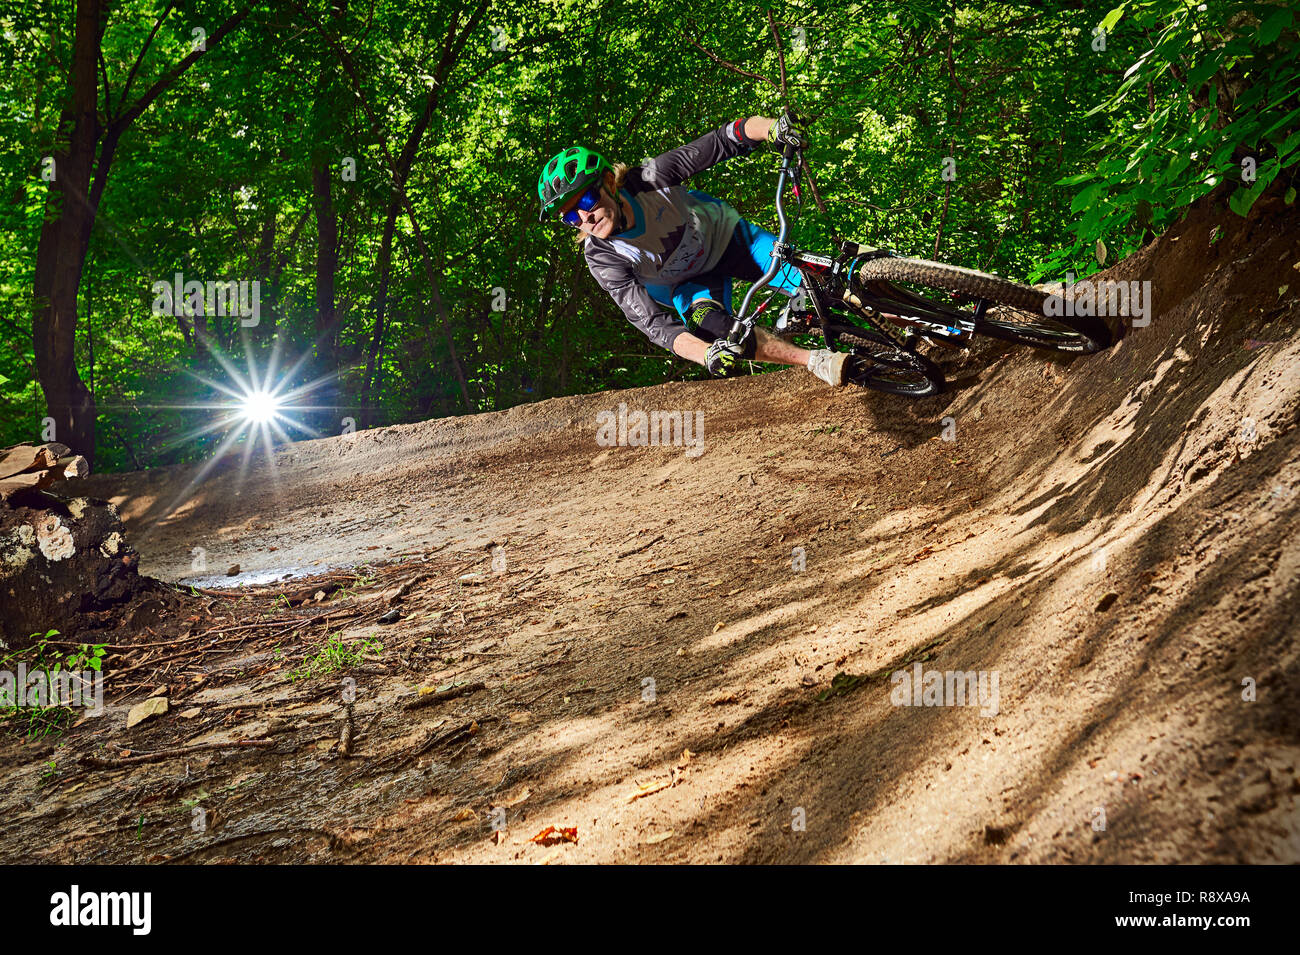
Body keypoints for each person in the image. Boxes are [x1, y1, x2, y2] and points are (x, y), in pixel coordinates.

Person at [536, 114, 850, 385]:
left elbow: (723, 140)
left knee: (825, 287)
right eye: (568, 216)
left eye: (587, 201)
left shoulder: (650, 178)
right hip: (689, 286)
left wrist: (773, 129)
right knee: (715, 330)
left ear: (608, 181)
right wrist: (705, 354)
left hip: (732, 240)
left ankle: (892, 314)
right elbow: (651, 322)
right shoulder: (601, 257)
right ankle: (815, 361)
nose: (583, 217)